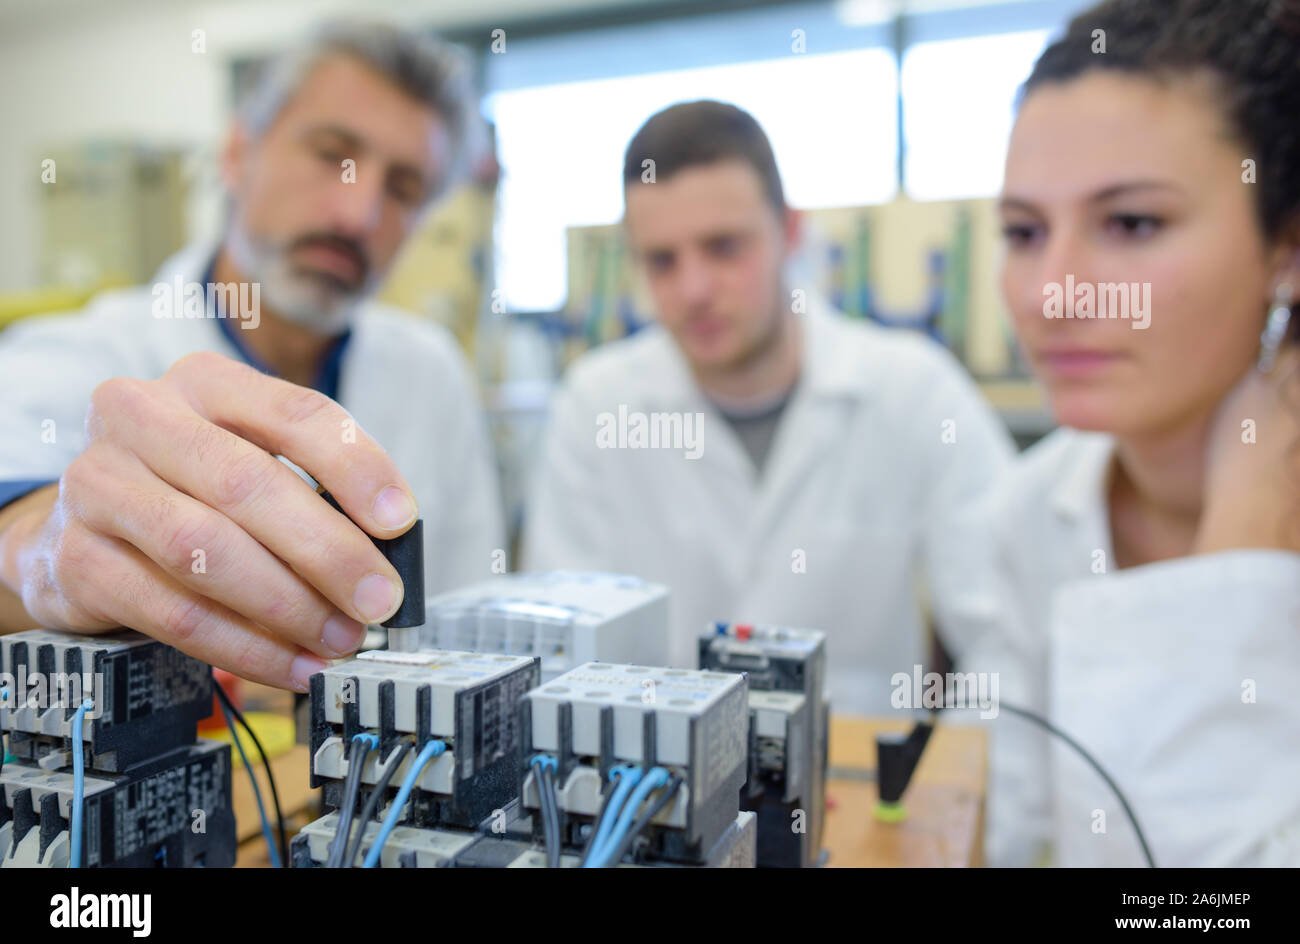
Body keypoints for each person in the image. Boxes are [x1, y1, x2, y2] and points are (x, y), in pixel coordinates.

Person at [0, 22, 504, 691]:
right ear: (237, 152)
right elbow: (23, 529)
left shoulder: (431, 372)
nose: (358, 213)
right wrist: (43, 551)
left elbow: (470, 622)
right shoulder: (69, 353)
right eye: (332, 154)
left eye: (404, 188)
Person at [522, 101, 1014, 711]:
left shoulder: (913, 391)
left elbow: (1009, 634)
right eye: (662, 260)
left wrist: (951, 787)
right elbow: (561, 650)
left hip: (855, 782)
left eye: (724, 247)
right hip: (654, 791)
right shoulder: (595, 406)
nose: (694, 289)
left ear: (791, 231)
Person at [962, 0, 1300, 866]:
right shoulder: (1029, 512)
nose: (1054, 293)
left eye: (1133, 223)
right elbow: (1019, 841)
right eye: (1023, 232)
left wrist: (1242, 553)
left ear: (1286, 249)